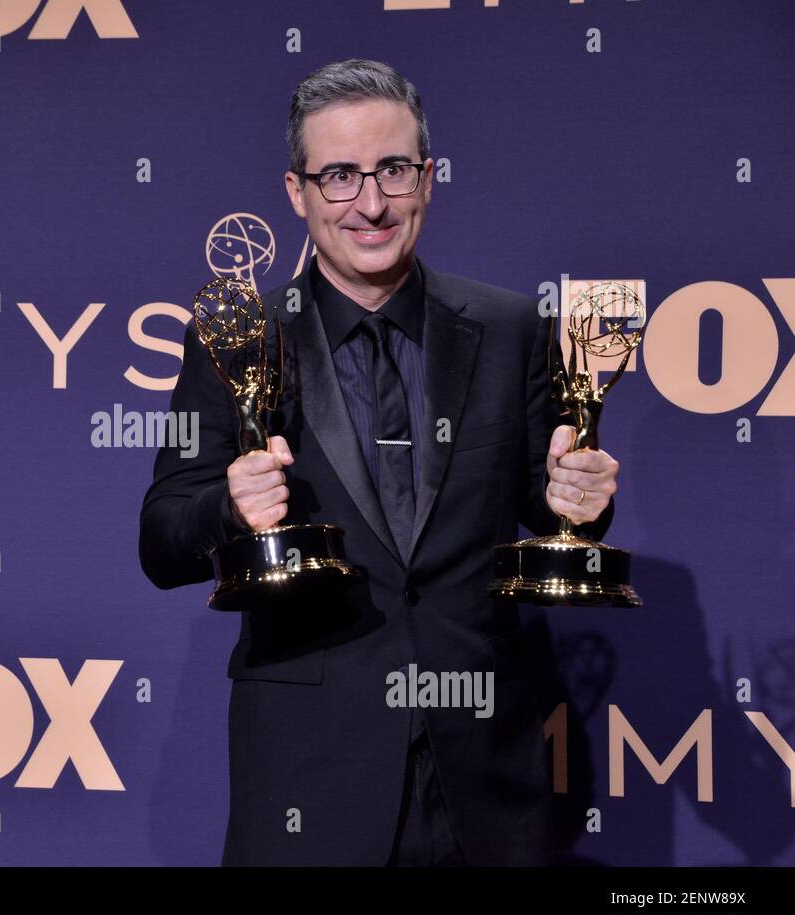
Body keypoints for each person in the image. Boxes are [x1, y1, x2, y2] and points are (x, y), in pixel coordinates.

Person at [138, 58, 619, 865]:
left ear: (427, 178)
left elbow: (550, 504)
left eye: (392, 170)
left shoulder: (510, 328)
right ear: (296, 192)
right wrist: (231, 508)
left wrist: (583, 495)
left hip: (488, 775)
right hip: (309, 778)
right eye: (338, 176)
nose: (370, 204)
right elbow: (161, 540)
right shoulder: (238, 335)